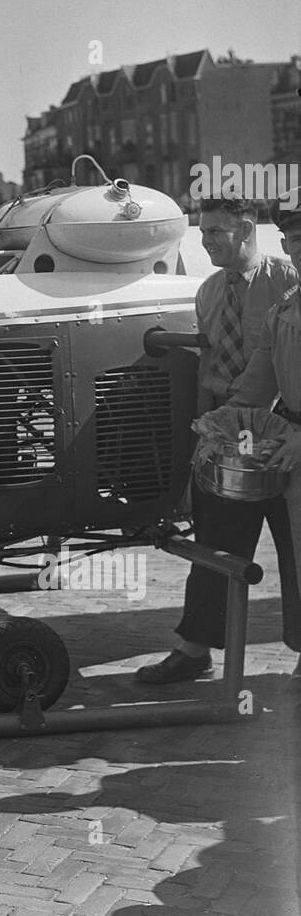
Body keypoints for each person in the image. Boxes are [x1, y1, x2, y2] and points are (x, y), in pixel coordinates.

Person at [136, 194, 300, 684]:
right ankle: (194, 648)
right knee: (216, 544)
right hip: (238, 438)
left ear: (248, 230)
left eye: (216, 232)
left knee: (295, 551)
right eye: (201, 232)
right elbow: (232, 370)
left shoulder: (284, 283)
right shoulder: (209, 292)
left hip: (286, 438)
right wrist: (213, 428)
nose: (205, 241)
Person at [224, 201, 301, 672]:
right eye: (294, 242)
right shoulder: (285, 309)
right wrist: (222, 426)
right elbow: (258, 382)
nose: (300, 250)